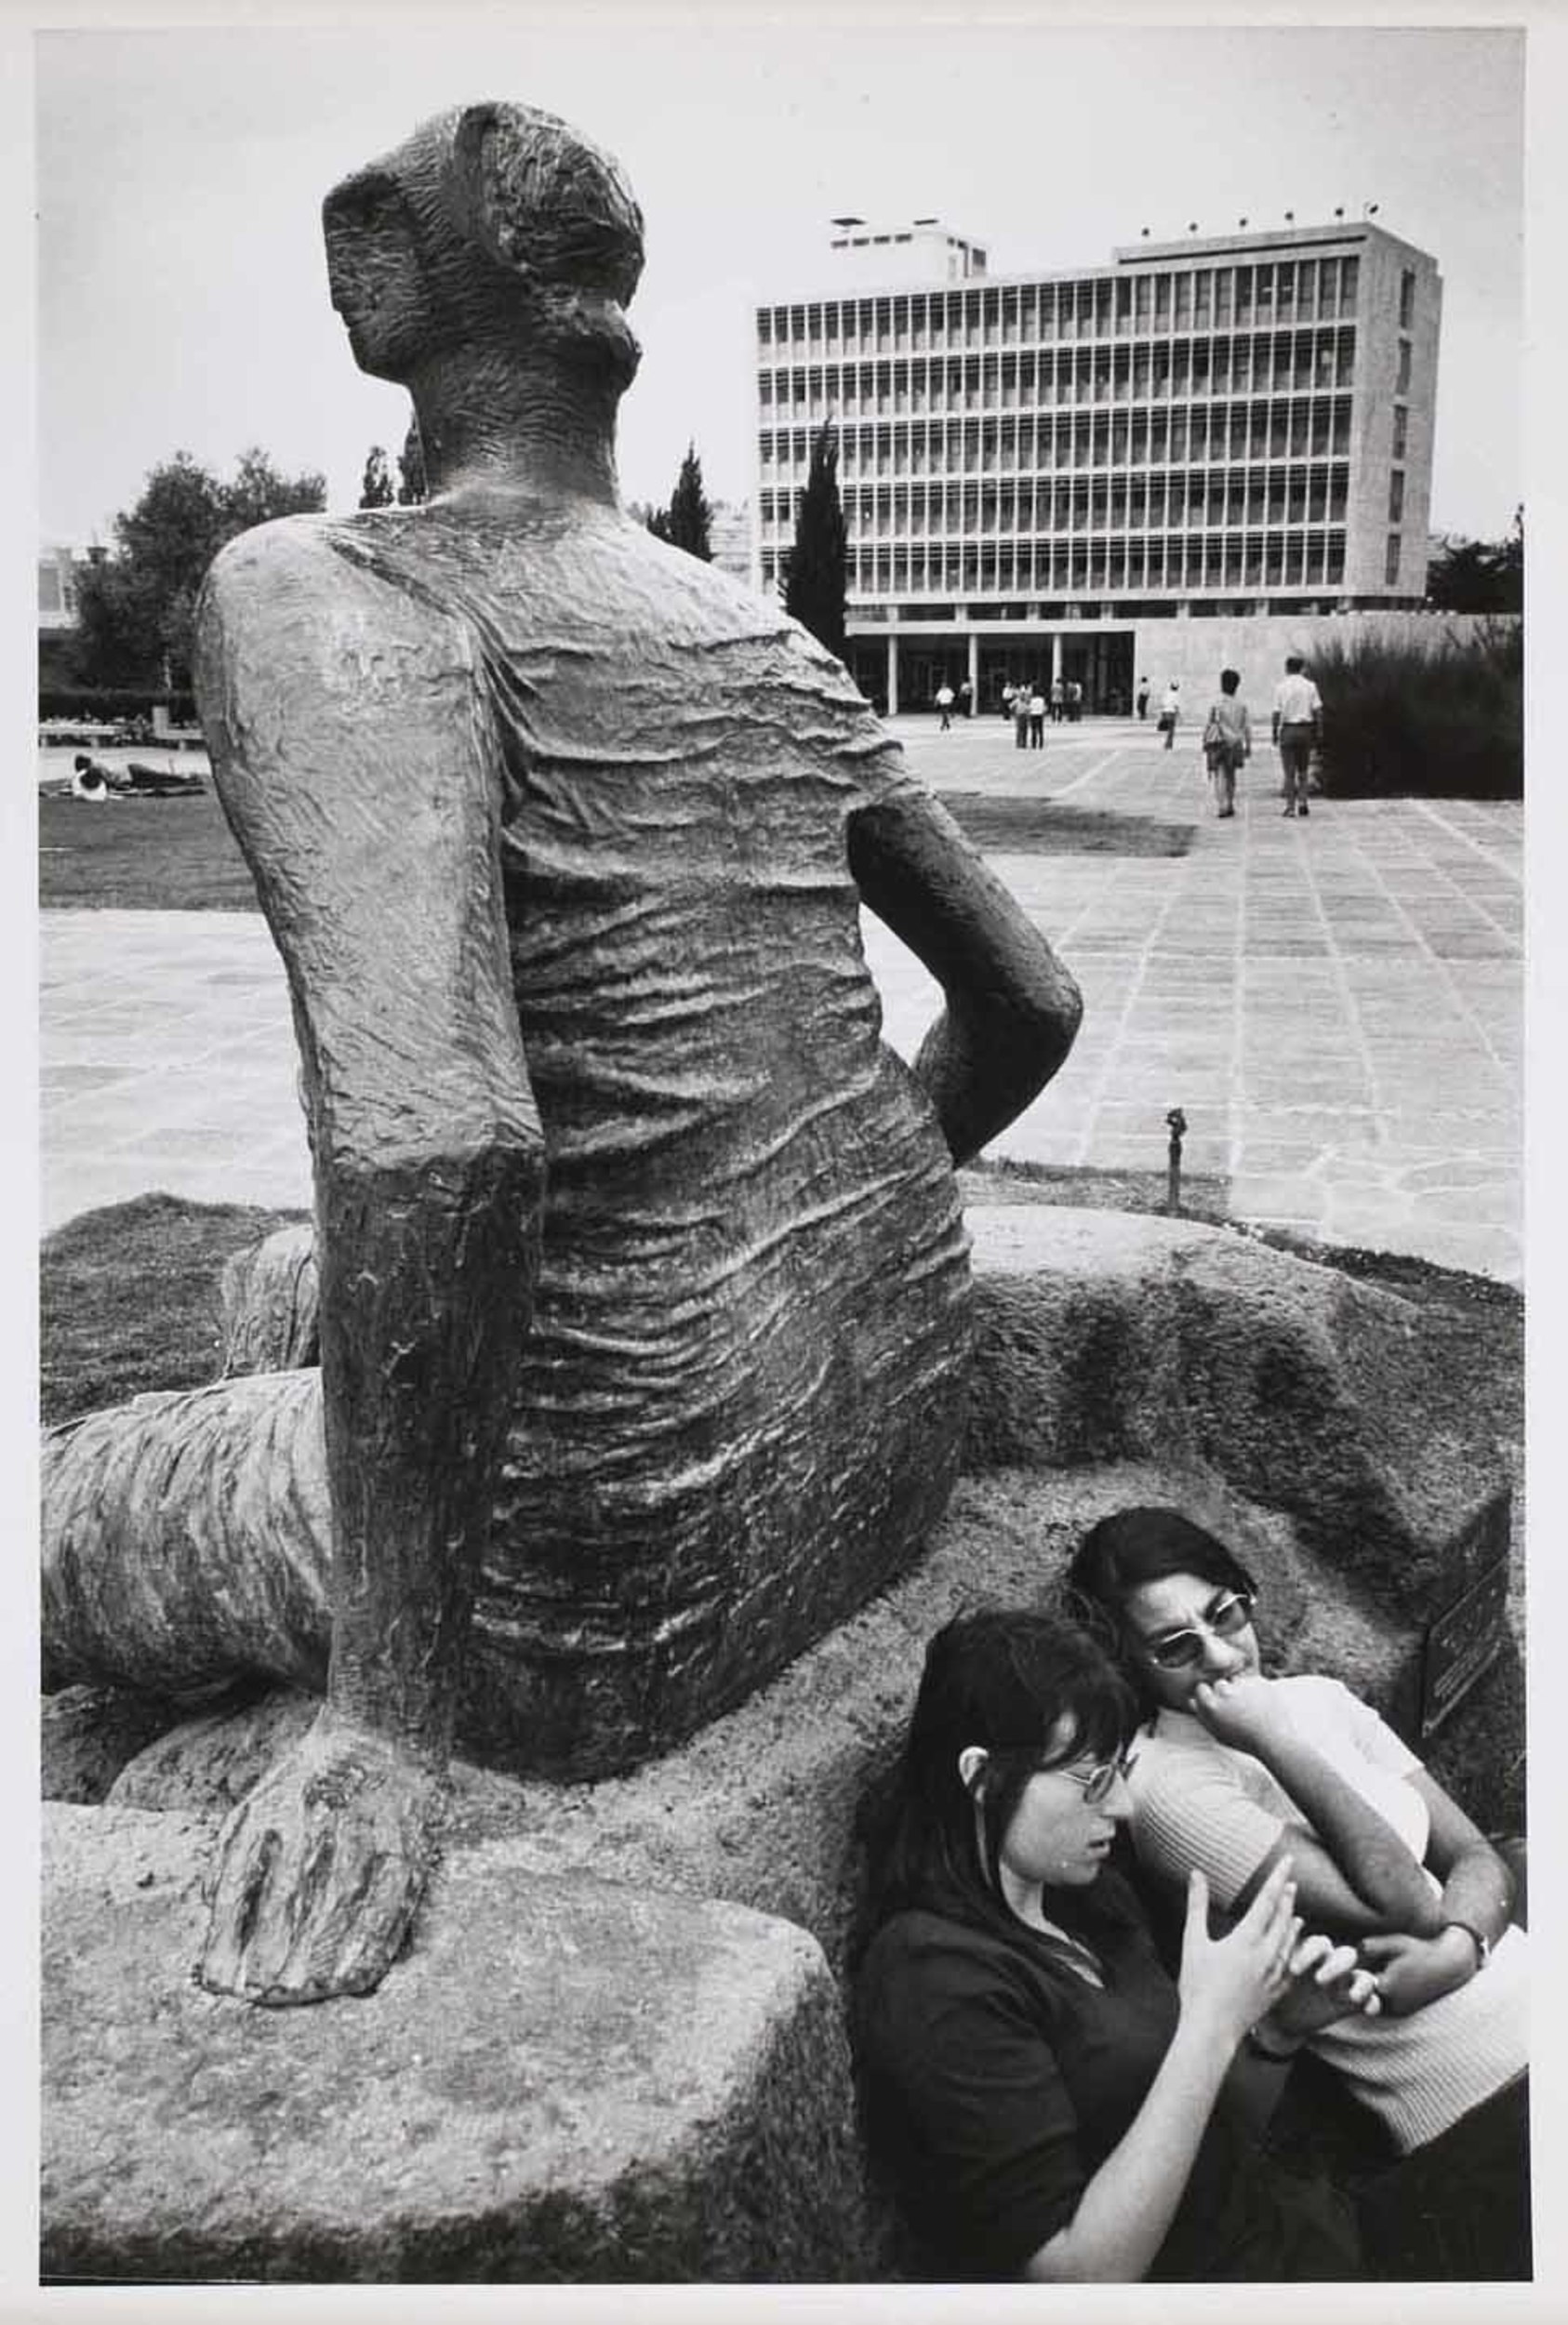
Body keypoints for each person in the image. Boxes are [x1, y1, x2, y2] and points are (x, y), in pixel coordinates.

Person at [42, 100, 1085, 2008]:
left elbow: (439, 1143)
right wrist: (833, 1234)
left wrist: (385, 1723)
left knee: (81, 1499)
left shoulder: (328, 587)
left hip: (610, 1554)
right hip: (885, 1431)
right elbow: (1029, 1005)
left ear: (380, 271)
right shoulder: (764, 633)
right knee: (274, 1284)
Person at [1066, 1508, 1531, 2280]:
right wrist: (1273, 1740)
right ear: (1133, 1667)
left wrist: (1462, 1947)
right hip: (1478, 2108)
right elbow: (1403, 1904)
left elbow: (1476, 1855)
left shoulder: (1320, 1697)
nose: (1219, 1655)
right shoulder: (1162, 1788)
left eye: (1224, 1613)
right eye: (1176, 1648)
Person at [856, 1610, 1375, 2282]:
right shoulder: (935, 1975)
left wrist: (1276, 2031)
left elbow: (1210, 2140)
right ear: (981, 1778)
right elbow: (1076, 2279)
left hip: (1306, 2237)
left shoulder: (1086, 1898)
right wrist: (1211, 2026)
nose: (1126, 1806)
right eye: (1094, 1781)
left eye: (1120, 1771)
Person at [1272, 654, 1323, 817]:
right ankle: (1303, 802)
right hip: (1305, 730)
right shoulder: (1310, 686)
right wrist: (1319, 730)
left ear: (1287, 668)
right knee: (1303, 769)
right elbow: (1318, 711)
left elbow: (1276, 712)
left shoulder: (1280, 687)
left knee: (1289, 772)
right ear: (1302, 668)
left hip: (1288, 730)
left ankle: (1290, 807)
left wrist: (1274, 731)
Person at [1201, 669, 1251, 818]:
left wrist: (1204, 739)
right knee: (1231, 775)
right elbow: (1246, 726)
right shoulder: (1241, 704)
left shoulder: (1217, 703)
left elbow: (1209, 724)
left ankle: (1221, 805)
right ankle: (1229, 803)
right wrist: (1248, 744)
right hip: (1235, 742)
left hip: (1218, 742)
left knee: (1219, 774)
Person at [1159, 680, 1181, 750]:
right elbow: (1176, 706)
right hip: (1171, 713)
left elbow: (1163, 703)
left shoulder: (1167, 694)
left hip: (1165, 712)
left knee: (1166, 729)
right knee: (1171, 730)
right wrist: (1179, 715)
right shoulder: (1176, 695)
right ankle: (1168, 745)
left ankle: (1166, 744)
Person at [1029, 684, 1046, 750]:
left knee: (1033, 730)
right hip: (1040, 715)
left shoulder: (1032, 700)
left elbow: (1030, 708)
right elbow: (1044, 708)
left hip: (1033, 715)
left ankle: (1034, 744)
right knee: (1040, 731)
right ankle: (1041, 744)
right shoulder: (1042, 700)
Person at [1013, 685, 1030, 750]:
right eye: (1021, 694)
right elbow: (1011, 706)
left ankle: (1023, 744)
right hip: (1020, 715)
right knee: (1020, 730)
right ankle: (1019, 744)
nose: (1022, 695)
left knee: (1024, 730)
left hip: (1024, 715)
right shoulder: (1017, 700)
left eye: (1023, 694)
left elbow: (1029, 708)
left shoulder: (1026, 700)